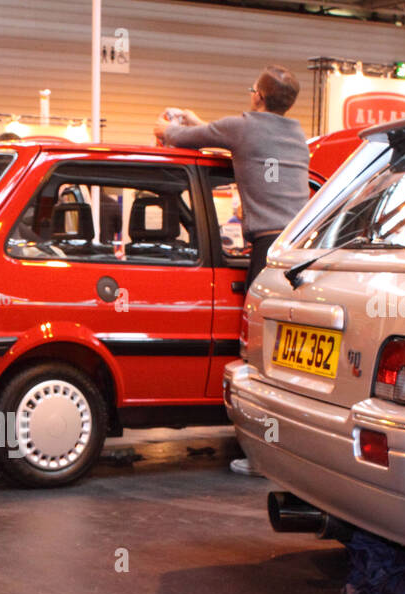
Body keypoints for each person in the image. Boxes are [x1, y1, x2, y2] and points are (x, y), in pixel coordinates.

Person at [154, 65, 309, 477]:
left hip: (268, 250)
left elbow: (177, 138)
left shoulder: (242, 128)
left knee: (256, 356)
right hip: (301, 251)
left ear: (257, 96)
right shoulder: (296, 135)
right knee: (287, 358)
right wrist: (196, 119)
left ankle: (260, 455)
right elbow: (225, 134)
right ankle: (293, 451)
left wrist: (169, 122)